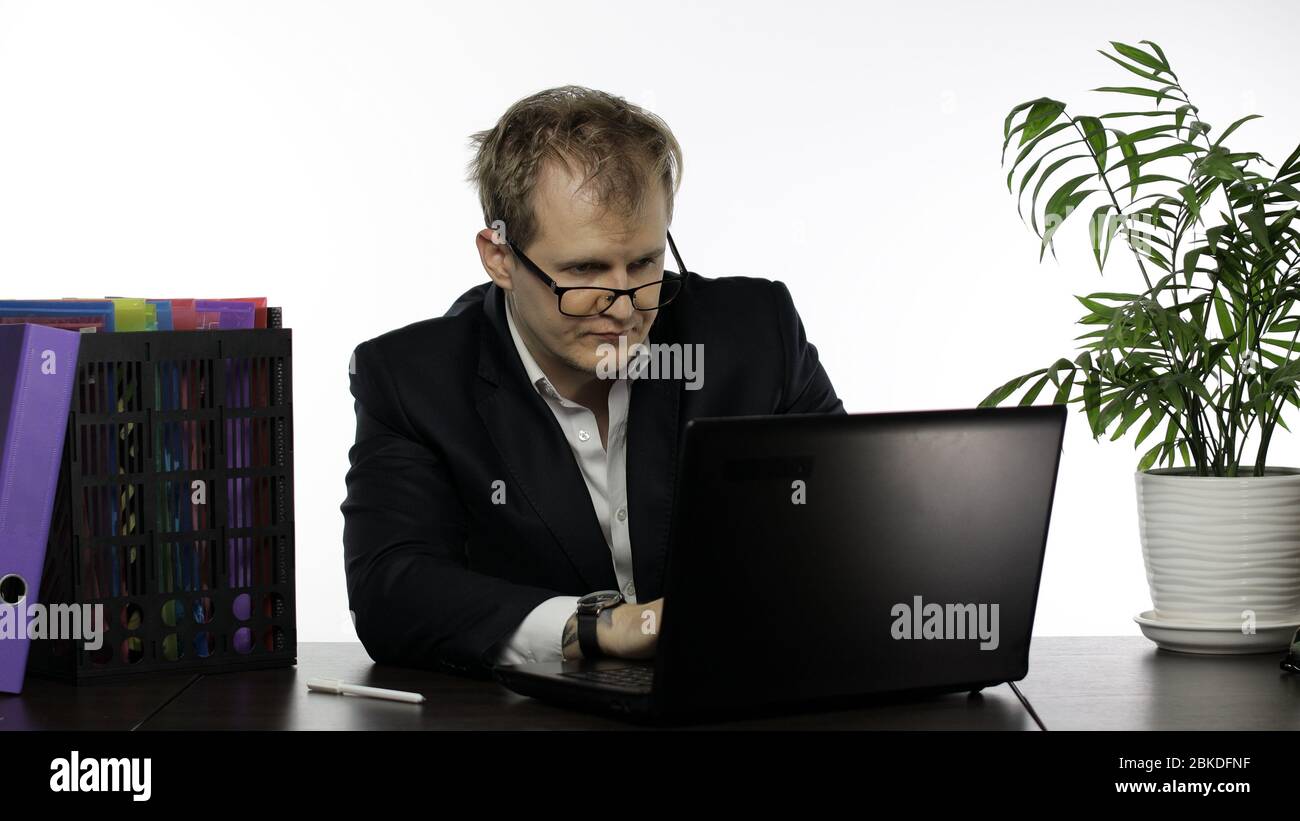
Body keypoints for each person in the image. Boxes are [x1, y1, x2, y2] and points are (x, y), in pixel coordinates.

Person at [340, 85, 844, 679]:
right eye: (584, 271)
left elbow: (847, 524)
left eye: (645, 264)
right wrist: (601, 629)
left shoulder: (756, 334)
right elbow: (392, 592)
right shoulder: (412, 381)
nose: (625, 308)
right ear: (499, 257)